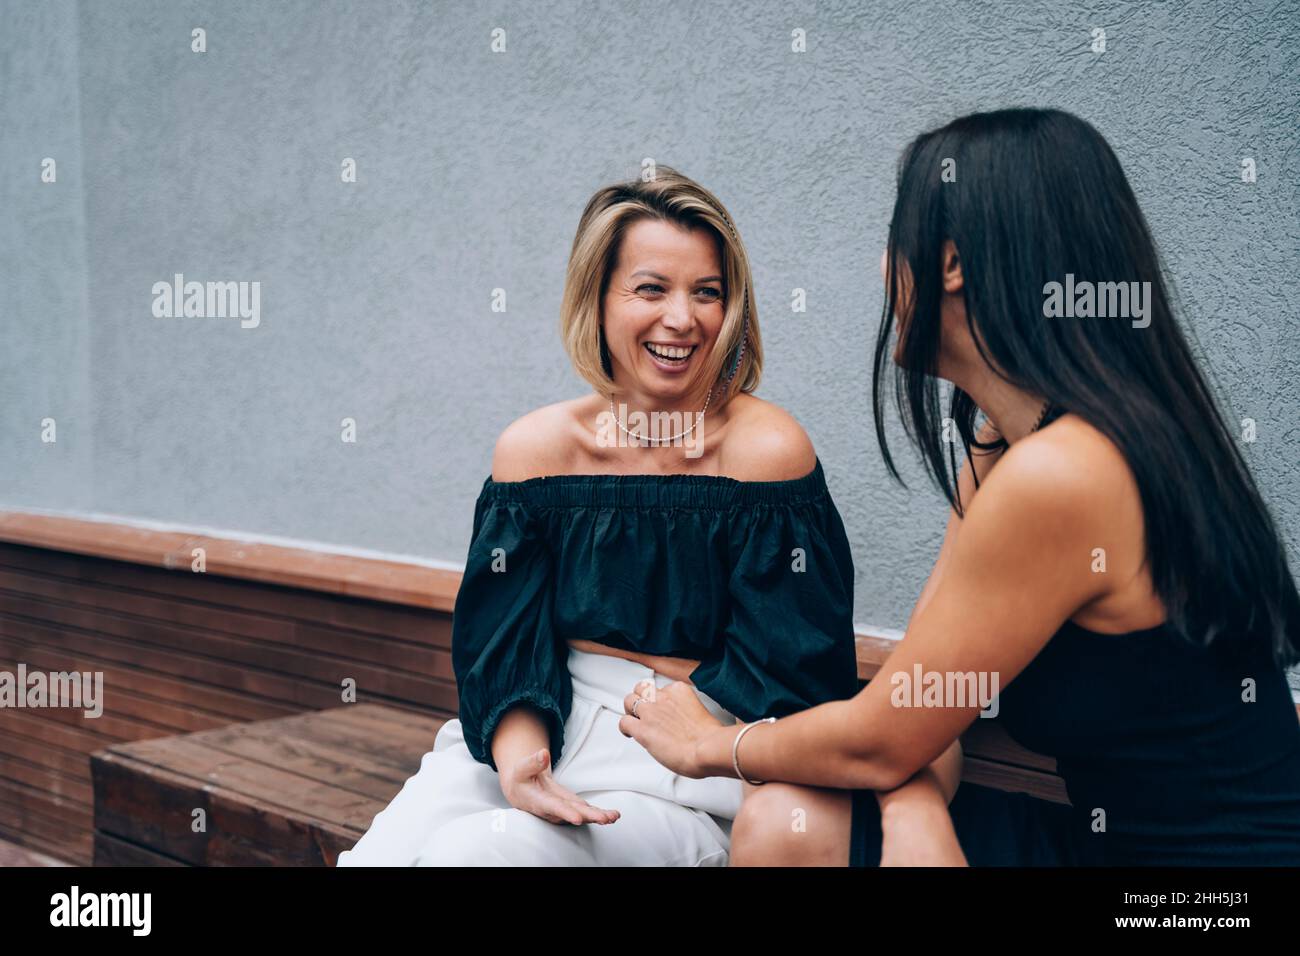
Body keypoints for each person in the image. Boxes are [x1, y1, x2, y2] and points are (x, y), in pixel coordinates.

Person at [618, 109, 1300, 866]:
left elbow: (886, 735)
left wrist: (713, 744)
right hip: (1108, 845)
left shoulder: (1064, 474)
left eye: (896, 238)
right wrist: (911, 806)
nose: (884, 268)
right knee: (790, 820)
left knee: (787, 817)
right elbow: (916, 703)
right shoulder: (1013, 438)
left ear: (949, 264)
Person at [337, 166, 949, 866]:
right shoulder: (535, 452)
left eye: (708, 293)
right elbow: (501, 649)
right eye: (651, 288)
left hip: (691, 769)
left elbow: (799, 675)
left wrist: (667, 689)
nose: (682, 319)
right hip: (541, 734)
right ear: (597, 301)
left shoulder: (766, 454)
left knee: (479, 857)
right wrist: (517, 758)